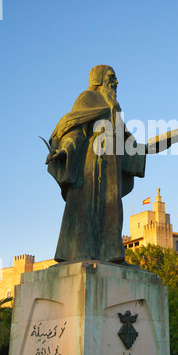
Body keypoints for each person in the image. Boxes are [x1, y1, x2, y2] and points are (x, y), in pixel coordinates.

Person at [46, 65, 146, 264]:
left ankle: (111, 253)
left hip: (111, 168)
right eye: (111, 78)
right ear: (99, 79)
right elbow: (73, 129)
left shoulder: (114, 109)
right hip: (90, 165)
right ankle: (78, 252)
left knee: (112, 207)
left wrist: (143, 150)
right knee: (85, 207)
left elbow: (127, 143)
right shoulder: (88, 98)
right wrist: (66, 150)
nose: (116, 82)